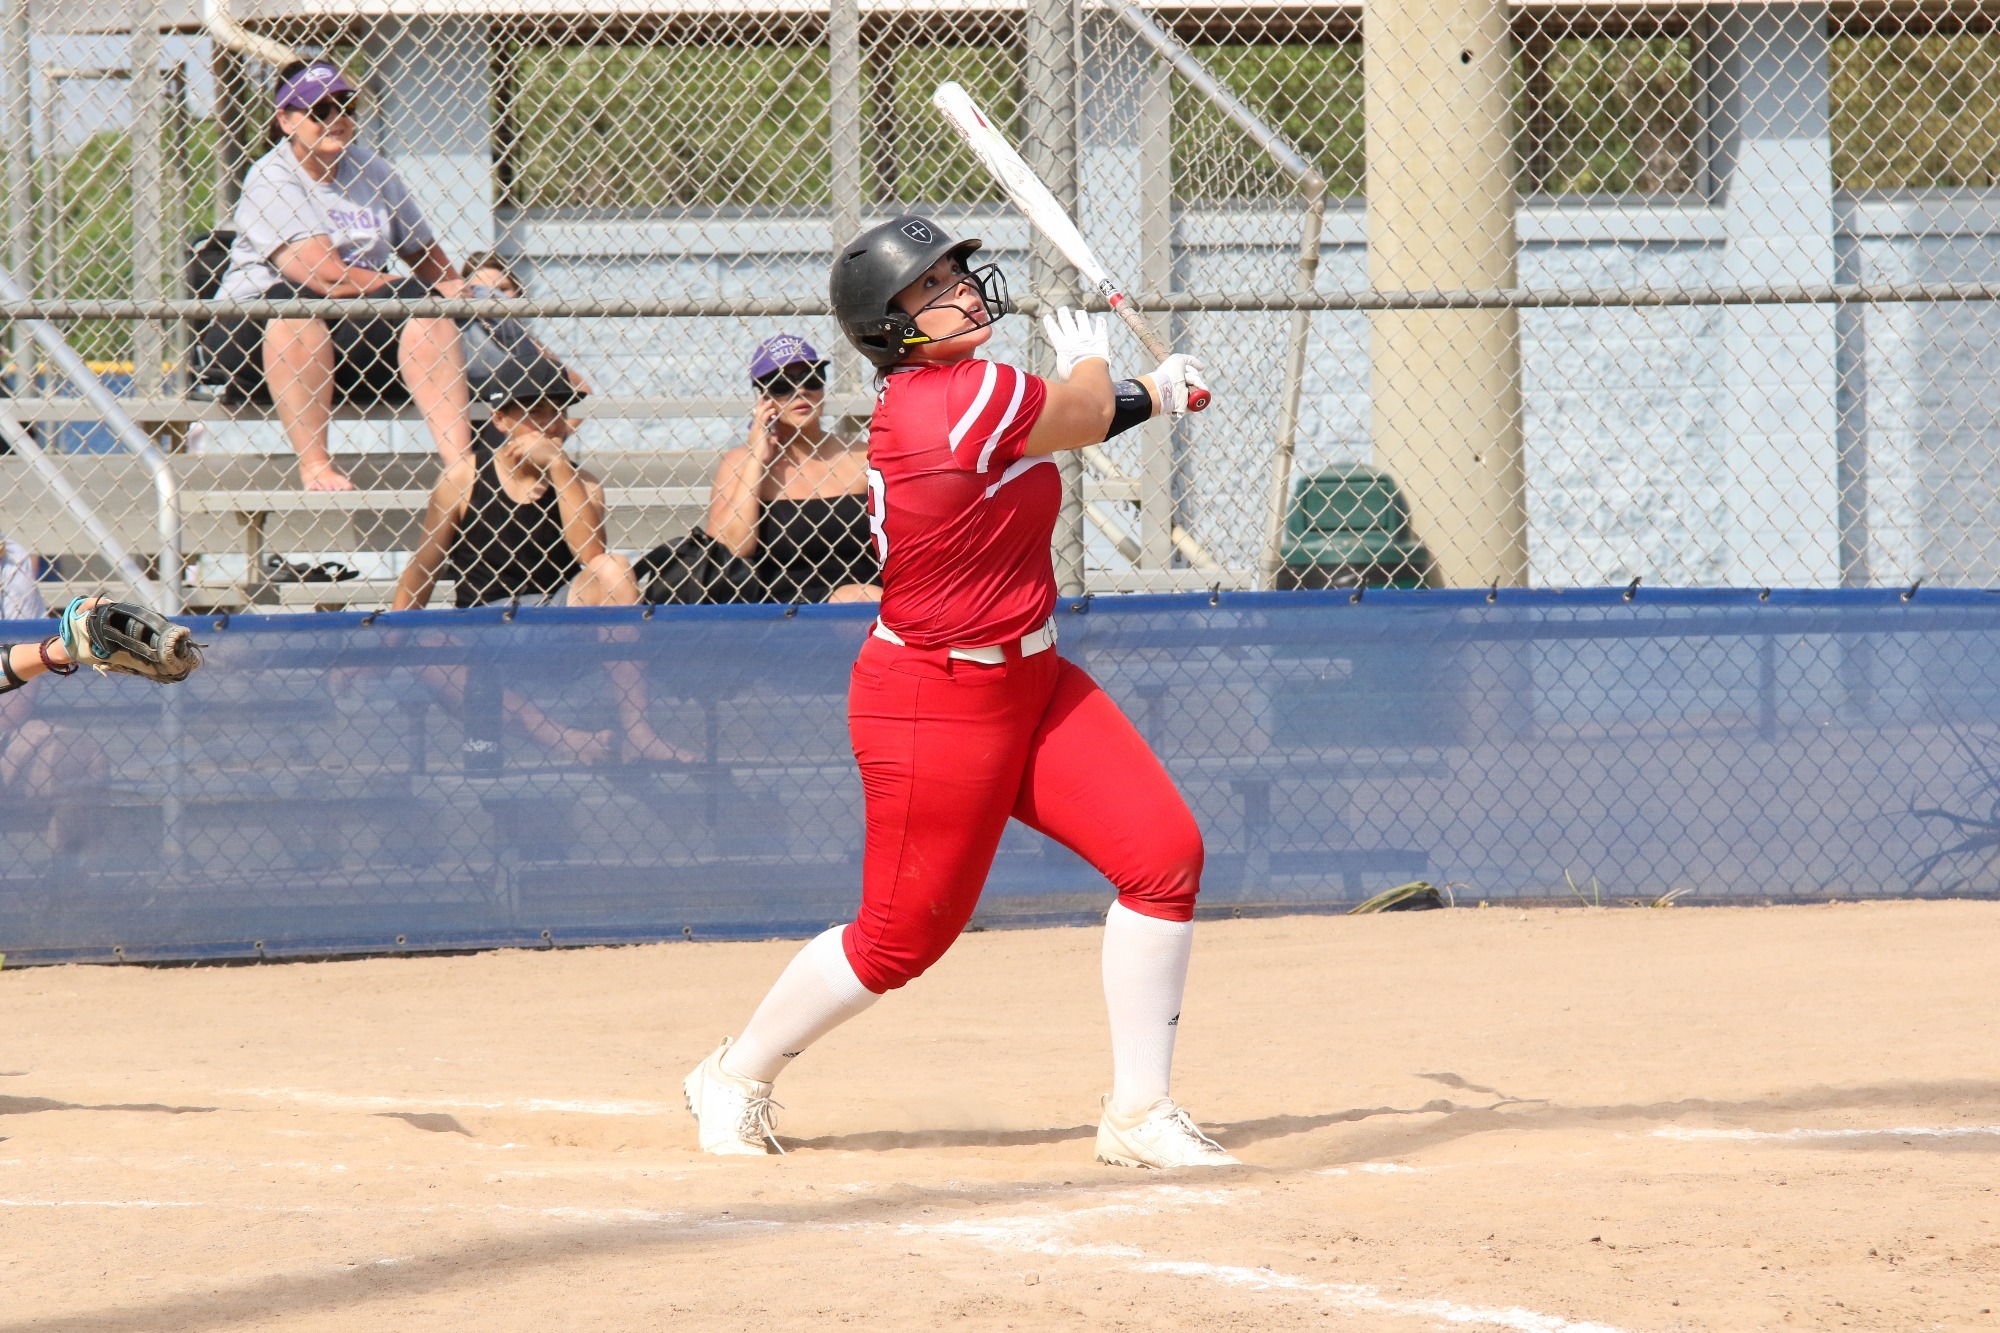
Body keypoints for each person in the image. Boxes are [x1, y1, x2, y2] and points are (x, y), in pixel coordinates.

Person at [682, 215, 1229, 1169]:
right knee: (899, 942)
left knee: (1163, 856)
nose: (964, 291)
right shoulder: (947, 400)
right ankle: (735, 1071)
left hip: (1034, 677)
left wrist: (1157, 394)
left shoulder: (981, 398)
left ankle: (1140, 1110)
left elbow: (1067, 419)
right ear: (890, 329)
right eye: (931, 287)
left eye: (960, 274)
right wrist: (1112, 371)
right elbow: (1084, 411)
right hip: (932, 699)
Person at [200, 60, 473, 492]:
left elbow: (429, 260)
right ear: (286, 120)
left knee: (428, 309)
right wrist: (411, 288)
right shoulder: (271, 176)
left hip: (348, 324)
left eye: (345, 105)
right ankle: (314, 466)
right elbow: (322, 277)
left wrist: (461, 300)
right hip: (254, 331)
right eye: (319, 110)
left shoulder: (373, 169)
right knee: (297, 301)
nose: (337, 119)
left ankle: (463, 469)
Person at [393, 360, 683, 764]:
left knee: (614, 566)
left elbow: (591, 558)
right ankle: (563, 739)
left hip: (556, 620)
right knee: (426, 644)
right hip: (485, 625)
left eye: (556, 412)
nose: (549, 424)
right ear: (500, 419)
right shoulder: (464, 478)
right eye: (534, 412)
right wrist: (385, 642)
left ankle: (639, 731)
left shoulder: (583, 483)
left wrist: (559, 469)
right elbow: (423, 567)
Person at [634, 335, 881, 605]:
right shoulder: (739, 462)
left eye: (810, 377)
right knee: (860, 598)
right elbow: (732, 548)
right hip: (781, 605)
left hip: (868, 593)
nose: (800, 391)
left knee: (863, 597)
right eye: (781, 385)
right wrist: (756, 459)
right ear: (763, 399)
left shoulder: (861, 456)